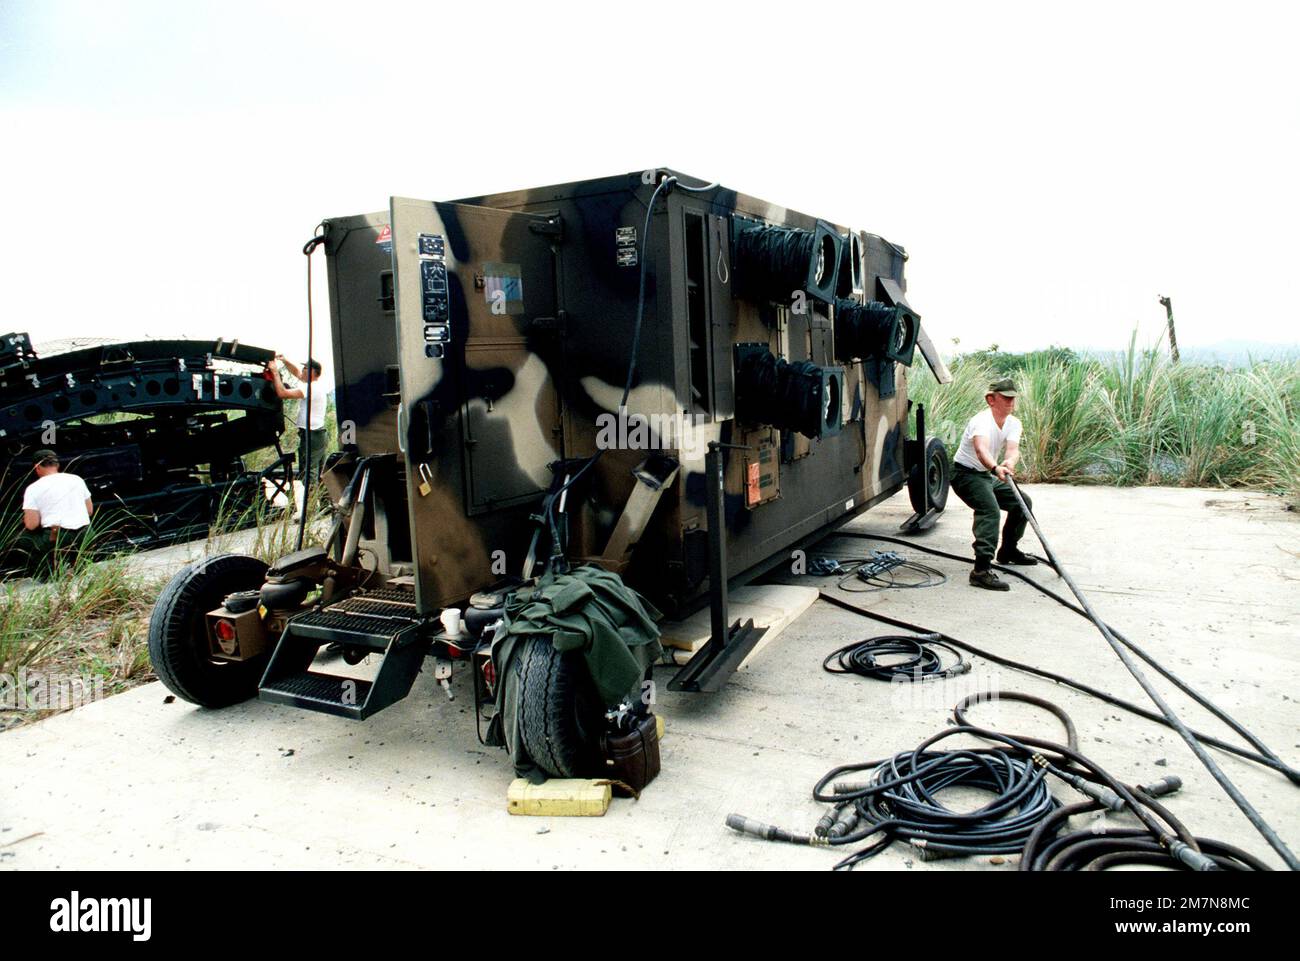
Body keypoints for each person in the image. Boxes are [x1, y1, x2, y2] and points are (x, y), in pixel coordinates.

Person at [949, 377, 1037, 591]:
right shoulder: (981, 421)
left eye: (1013, 399)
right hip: (966, 474)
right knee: (989, 511)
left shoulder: (1014, 423)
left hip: (987, 475)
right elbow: (982, 450)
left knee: (1022, 502)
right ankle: (980, 571)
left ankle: (1008, 550)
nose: (1010, 403)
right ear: (991, 399)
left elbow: (1013, 450)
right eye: (1005, 398)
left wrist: (1009, 462)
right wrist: (995, 468)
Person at [16, 449, 93, 576]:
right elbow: (89, 511)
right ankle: (79, 565)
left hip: (57, 536)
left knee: (23, 538)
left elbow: (31, 524)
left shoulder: (33, 488)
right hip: (86, 534)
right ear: (57, 464)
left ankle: (48, 572)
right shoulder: (77, 479)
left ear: (37, 467)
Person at [267, 355, 329, 484]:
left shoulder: (310, 388)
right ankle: (323, 502)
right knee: (320, 471)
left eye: (305, 368)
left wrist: (274, 372)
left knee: (309, 471)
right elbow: (297, 373)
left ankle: (309, 501)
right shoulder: (316, 385)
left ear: (312, 372)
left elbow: (282, 393)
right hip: (317, 434)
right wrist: (285, 360)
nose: (302, 371)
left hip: (312, 435)